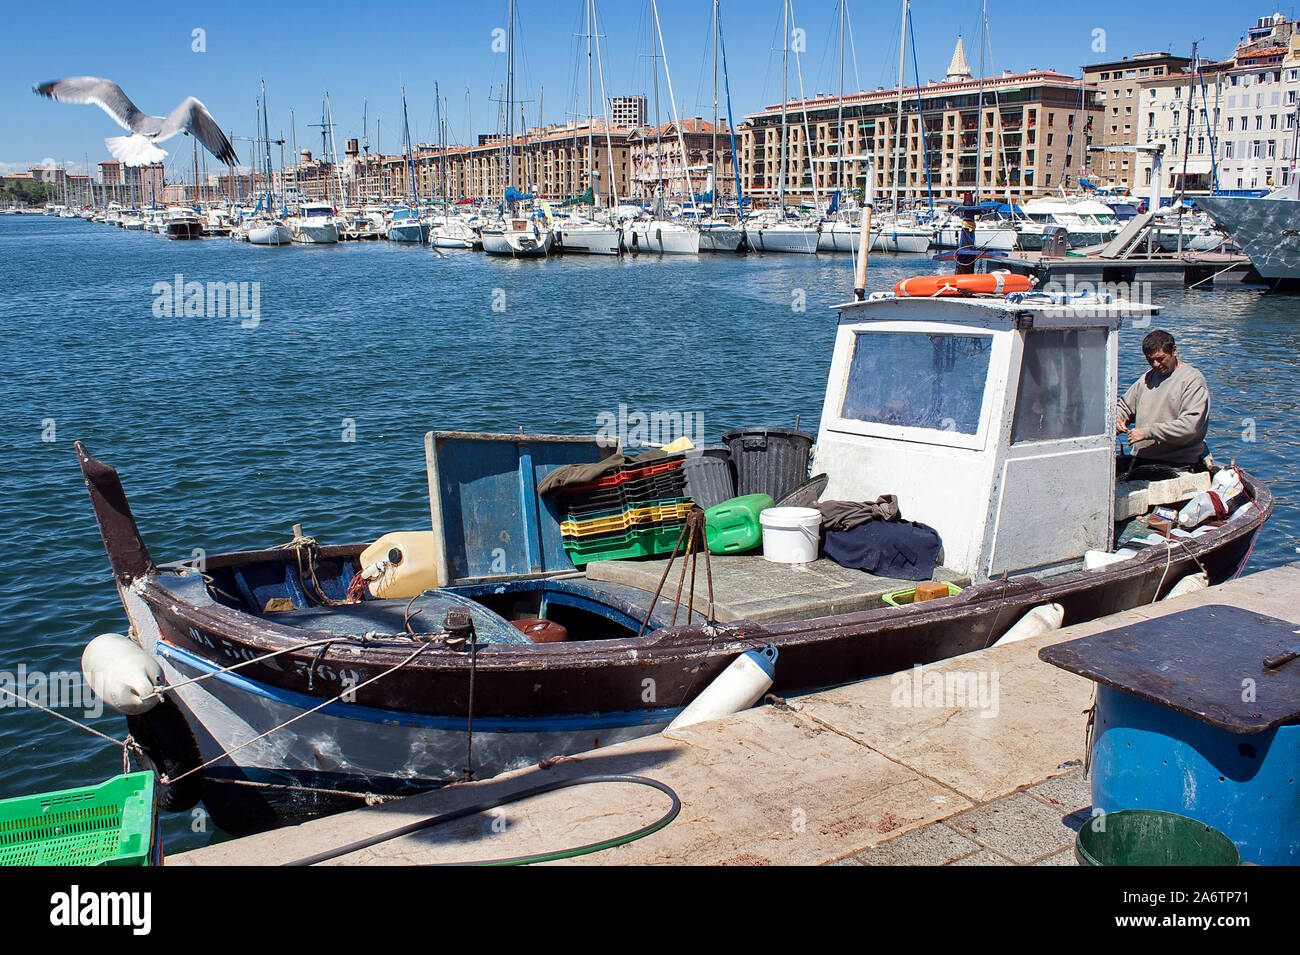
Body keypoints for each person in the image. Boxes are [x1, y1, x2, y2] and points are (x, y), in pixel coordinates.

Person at [1116, 329, 1210, 471]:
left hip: (1177, 463)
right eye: (1150, 360)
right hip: (1141, 460)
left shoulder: (1192, 380)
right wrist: (1118, 419)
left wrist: (1147, 433)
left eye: (1161, 359)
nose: (1156, 365)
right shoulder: (1147, 379)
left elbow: (1190, 426)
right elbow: (1124, 406)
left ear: (1174, 351)